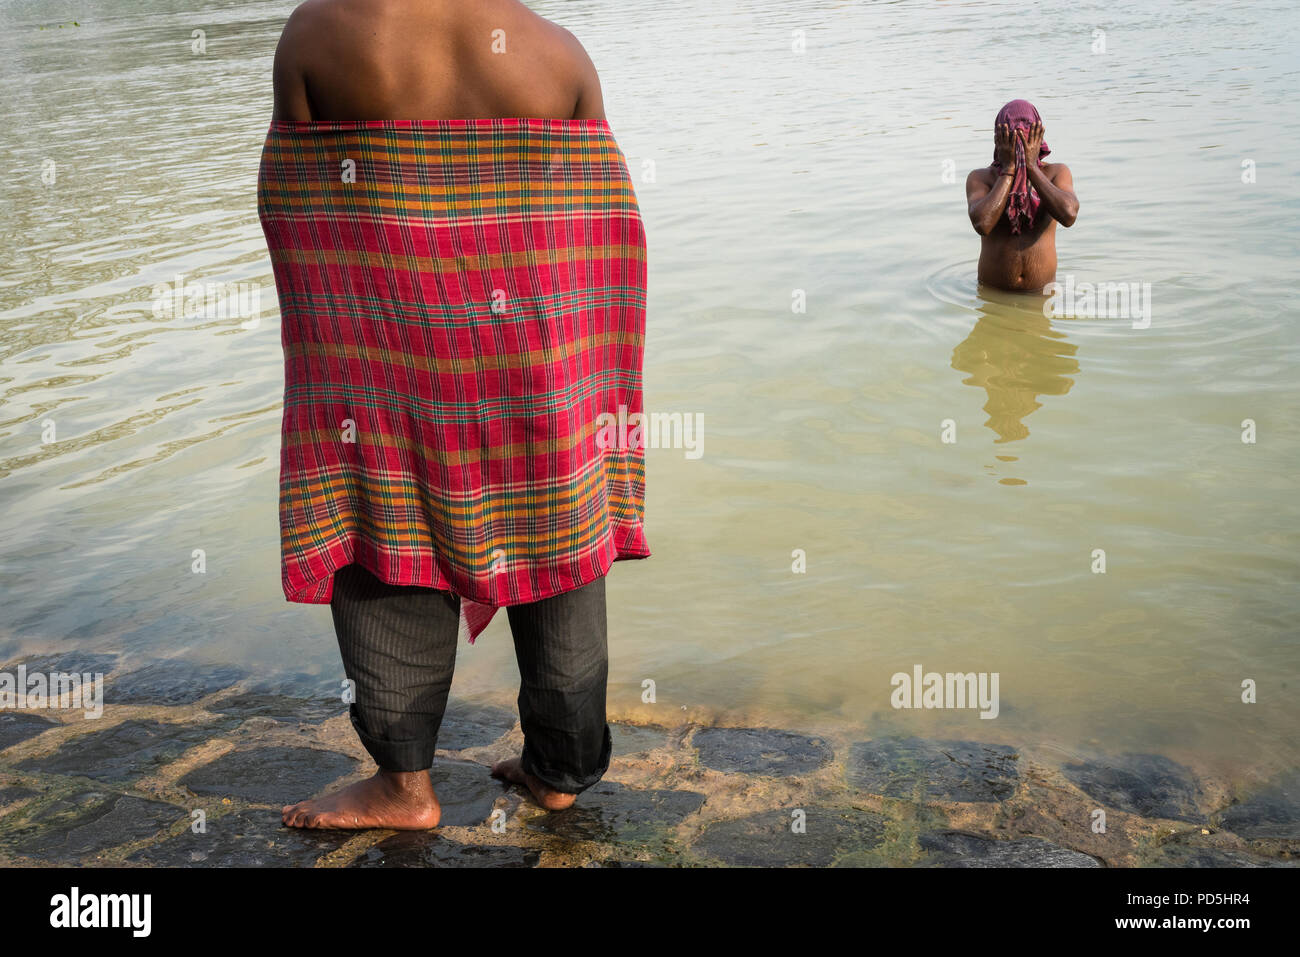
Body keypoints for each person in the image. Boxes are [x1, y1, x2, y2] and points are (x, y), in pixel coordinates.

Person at [259, 0, 649, 830]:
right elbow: (602, 242)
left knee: (384, 545)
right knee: (563, 545)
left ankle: (404, 788)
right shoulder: (558, 56)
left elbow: (297, 216)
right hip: (535, 370)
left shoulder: (320, 35)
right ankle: (559, 772)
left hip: (391, 359)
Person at [965, 99, 1079, 292]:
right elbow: (982, 224)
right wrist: (1009, 169)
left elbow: (1069, 216)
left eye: (1026, 134)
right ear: (999, 139)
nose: (1019, 143)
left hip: (1040, 297)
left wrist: (1032, 167)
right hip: (993, 296)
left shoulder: (1056, 173)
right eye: (1011, 135)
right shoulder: (981, 178)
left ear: (1038, 137)